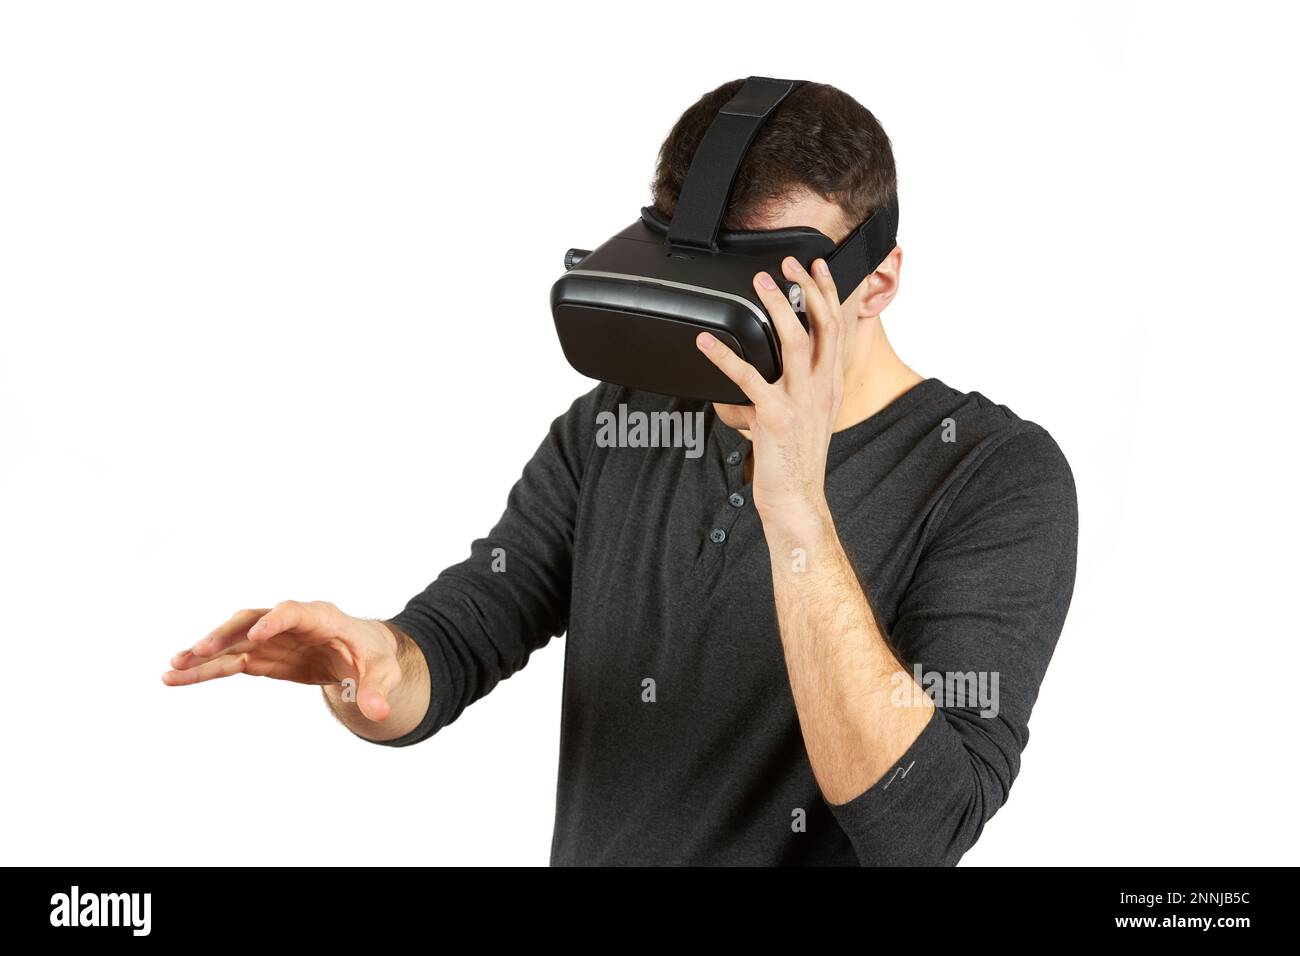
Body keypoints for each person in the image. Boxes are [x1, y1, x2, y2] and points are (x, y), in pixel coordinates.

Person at [162, 78, 1078, 866]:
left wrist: (795, 500)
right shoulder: (622, 422)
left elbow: (919, 829)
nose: (717, 333)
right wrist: (366, 668)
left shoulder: (997, 478)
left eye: (761, 289)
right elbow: (460, 637)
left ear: (874, 283)